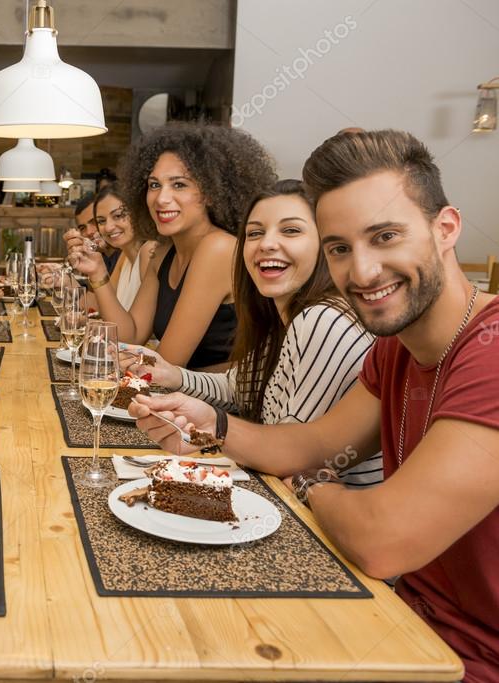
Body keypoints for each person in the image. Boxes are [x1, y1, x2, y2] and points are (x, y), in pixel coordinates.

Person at [130, 130, 499, 681]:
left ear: (445, 228)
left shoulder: (490, 352)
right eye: (340, 248)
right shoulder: (396, 349)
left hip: (461, 661)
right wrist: (214, 425)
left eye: (385, 236)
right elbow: (311, 443)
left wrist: (310, 485)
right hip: (394, 619)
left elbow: (380, 541)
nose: (363, 272)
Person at [124, 180, 380, 486]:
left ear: (327, 246)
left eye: (291, 230)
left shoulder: (322, 319)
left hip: (327, 508)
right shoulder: (279, 319)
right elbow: (237, 388)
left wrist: (217, 428)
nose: (267, 244)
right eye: (255, 233)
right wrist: (171, 375)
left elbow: (290, 454)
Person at [69, 123, 276, 370]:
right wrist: (97, 273)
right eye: (154, 185)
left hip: (216, 394)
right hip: (175, 389)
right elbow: (130, 335)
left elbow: (167, 364)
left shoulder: (218, 248)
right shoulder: (162, 253)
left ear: (211, 192)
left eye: (179, 184)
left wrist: (124, 359)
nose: (161, 198)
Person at [86, 183, 159, 310]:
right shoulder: (124, 256)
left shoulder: (149, 251)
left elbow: (140, 324)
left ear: (138, 213)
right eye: (101, 221)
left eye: (118, 216)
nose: (108, 227)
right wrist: (65, 282)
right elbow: (104, 308)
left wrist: (97, 271)